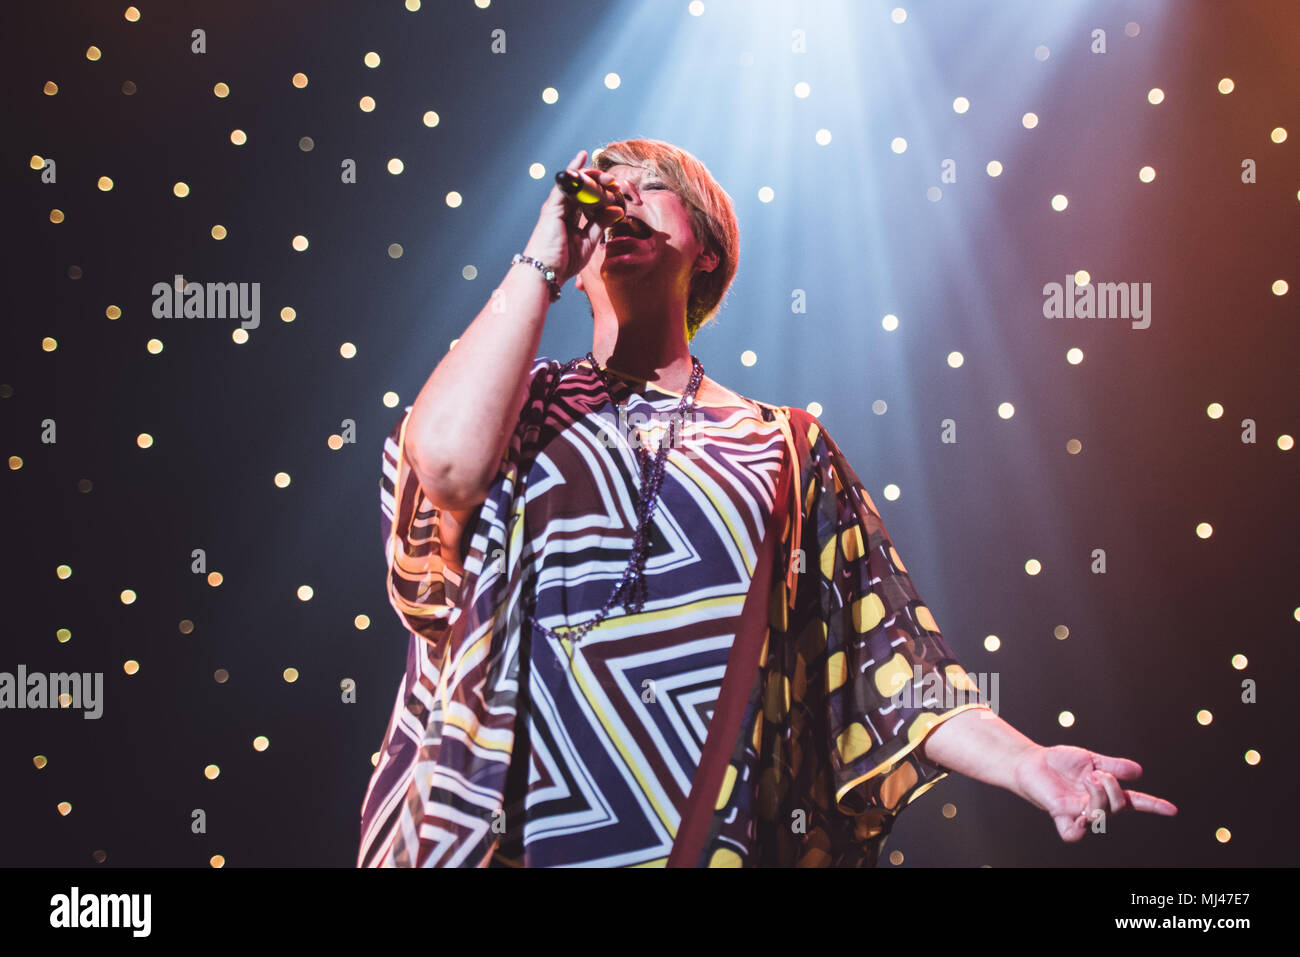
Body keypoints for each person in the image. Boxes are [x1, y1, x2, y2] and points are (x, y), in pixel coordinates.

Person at [357, 138, 1177, 868]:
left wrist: (1026, 762)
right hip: (511, 828)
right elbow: (449, 469)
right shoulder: (521, 408)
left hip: (703, 831)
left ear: (707, 248)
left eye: (649, 184)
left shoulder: (784, 446)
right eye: (603, 189)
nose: (619, 199)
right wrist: (543, 250)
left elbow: (887, 660)